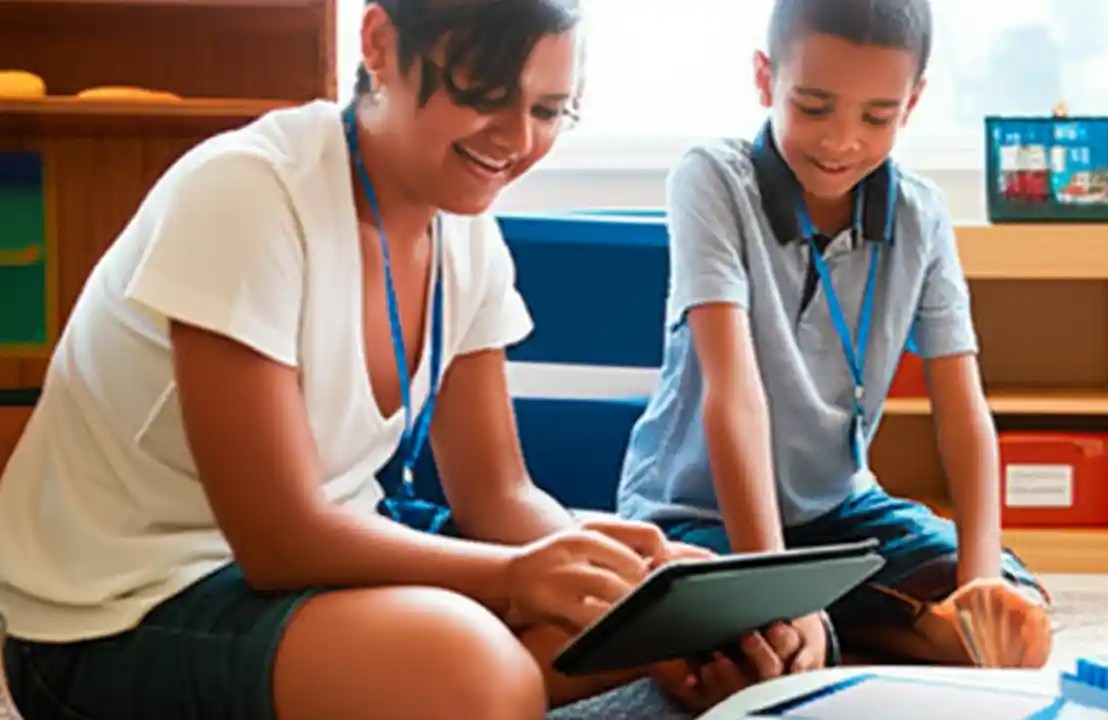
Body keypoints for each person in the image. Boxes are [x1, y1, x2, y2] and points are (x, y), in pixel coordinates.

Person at [0, 1, 717, 718]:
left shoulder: (464, 235)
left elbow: (498, 496)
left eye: (550, 110)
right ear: (378, 42)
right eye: (484, 94)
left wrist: (625, 579)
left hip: (315, 569)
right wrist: (515, 577)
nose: (518, 138)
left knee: (691, 596)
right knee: (472, 668)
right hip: (118, 612)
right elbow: (279, 540)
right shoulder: (246, 193)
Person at [616, 0, 1053, 698]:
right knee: (716, 634)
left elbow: (964, 410)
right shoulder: (712, 178)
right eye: (814, 107)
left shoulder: (921, 214)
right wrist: (771, 589)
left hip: (839, 515)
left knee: (1019, 614)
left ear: (912, 104)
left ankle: (832, 628)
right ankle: (833, 626)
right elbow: (734, 398)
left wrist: (980, 587)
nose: (842, 140)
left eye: (876, 117)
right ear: (766, 79)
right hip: (703, 518)